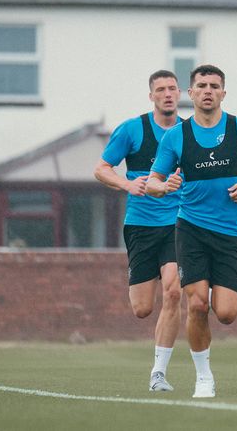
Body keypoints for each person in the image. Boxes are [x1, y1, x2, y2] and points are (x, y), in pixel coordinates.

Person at [147, 64, 237, 399]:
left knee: (228, 313)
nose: (207, 90)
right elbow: (153, 182)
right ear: (191, 93)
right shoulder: (176, 135)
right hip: (190, 229)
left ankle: (204, 366)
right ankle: (203, 376)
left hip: (230, 232)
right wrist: (165, 185)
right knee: (198, 304)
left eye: (214, 85)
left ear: (223, 93)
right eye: (201, 85)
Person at [93, 69, 183, 392]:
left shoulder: (190, 133)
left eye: (172, 88)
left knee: (174, 291)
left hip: (177, 223)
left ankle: (158, 373)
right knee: (143, 308)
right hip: (141, 225)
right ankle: (140, 276)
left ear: (180, 93)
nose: (168, 94)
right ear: (152, 96)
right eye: (161, 89)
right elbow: (101, 169)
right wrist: (128, 184)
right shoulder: (132, 130)